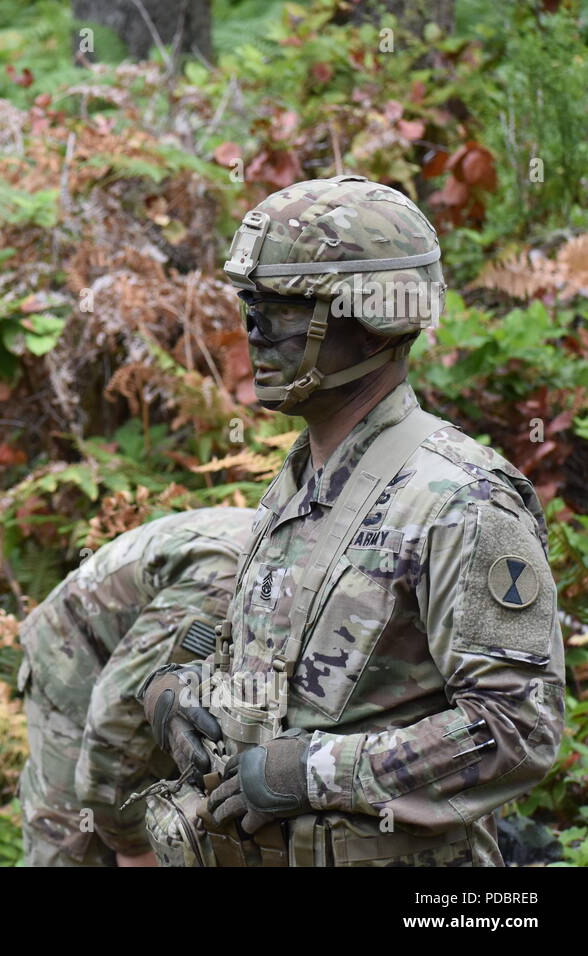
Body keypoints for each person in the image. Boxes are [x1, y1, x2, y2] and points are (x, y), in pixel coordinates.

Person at [141, 175, 565, 866]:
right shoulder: (305, 478)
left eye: (282, 307)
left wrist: (310, 773)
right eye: (250, 303)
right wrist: (174, 693)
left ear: (374, 317)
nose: (254, 329)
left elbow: (518, 729)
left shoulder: (462, 500)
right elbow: (273, 666)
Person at [18, 507, 252, 866]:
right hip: (73, 666)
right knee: (74, 843)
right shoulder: (225, 586)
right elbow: (119, 717)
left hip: (143, 673)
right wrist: (132, 845)